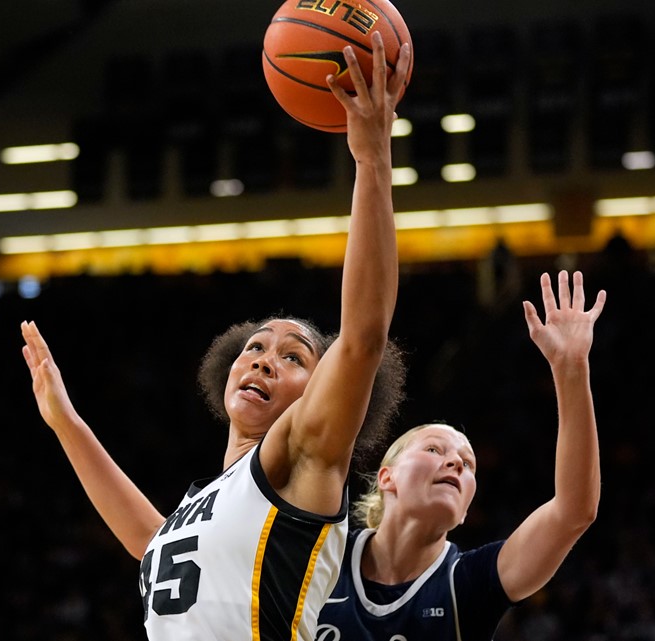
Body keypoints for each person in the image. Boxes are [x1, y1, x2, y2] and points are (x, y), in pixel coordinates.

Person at [20, 31, 412, 641]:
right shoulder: (206, 502)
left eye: (292, 356)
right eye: (254, 347)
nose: (263, 360)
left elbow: (363, 336)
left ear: (322, 387)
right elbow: (148, 540)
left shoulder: (300, 456)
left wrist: (372, 162)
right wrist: (65, 421)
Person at [317, 270, 606, 641]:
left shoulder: (469, 582)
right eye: (434, 449)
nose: (455, 462)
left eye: (467, 464)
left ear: (466, 508)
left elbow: (574, 510)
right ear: (386, 477)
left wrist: (571, 368)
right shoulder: (323, 555)